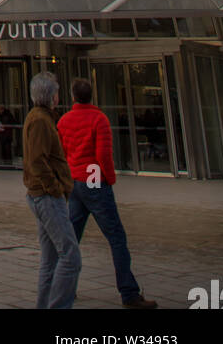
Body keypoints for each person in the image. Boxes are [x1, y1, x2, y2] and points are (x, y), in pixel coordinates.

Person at [58, 78, 158, 310]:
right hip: (94, 179)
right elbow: (103, 154)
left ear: (73, 97)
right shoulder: (98, 119)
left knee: (71, 238)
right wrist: (109, 178)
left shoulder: (64, 120)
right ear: (91, 95)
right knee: (116, 237)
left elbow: (63, 151)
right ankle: (129, 293)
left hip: (75, 180)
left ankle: (64, 289)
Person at [23, 71, 81, 310]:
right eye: (56, 92)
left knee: (50, 260)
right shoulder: (40, 120)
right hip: (46, 197)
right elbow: (38, 160)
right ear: (51, 96)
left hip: (43, 195)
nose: (59, 96)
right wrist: (54, 188)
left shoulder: (40, 117)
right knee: (71, 257)